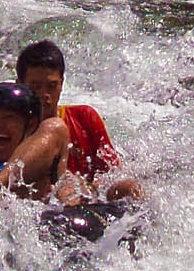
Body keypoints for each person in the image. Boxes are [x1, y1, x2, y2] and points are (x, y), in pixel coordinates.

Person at [14, 39, 144, 203]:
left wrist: (89, 188)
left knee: (130, 186)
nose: (44, 94)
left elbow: (113, 173)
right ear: (19, 85)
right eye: (35, 87)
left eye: (52, 86)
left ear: (62, 83)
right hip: (45, 208)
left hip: (91, 203)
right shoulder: (12, 128)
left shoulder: (84, 117)